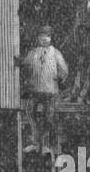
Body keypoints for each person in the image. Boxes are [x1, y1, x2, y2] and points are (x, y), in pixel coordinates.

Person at [15, 25, 68, 156]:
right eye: (42, 36)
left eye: (48, 36)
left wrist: (60, 80)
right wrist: (17, 61)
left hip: (50, 91)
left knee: (48, 116)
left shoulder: (55, 53)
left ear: (51, 38)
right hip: (36, 90)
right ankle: (35, 143)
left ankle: (45, 145)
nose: (45, 39)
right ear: (38, 38)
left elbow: (64, 70)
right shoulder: (33, 53)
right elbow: (25, 63)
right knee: (29, 111)